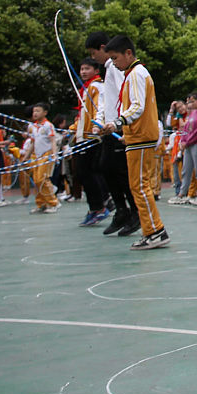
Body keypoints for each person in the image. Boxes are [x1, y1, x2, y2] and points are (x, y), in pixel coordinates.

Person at [100, 35, 169, 249]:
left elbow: (138, 107)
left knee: (140, 186)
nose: (114, 63)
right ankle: (152, 230)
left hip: (141, 138)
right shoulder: (132, 74)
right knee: (138, 186)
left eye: (116, 58)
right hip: (135, 137)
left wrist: (117, 123)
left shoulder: (137, 74)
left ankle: (155, 231)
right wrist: (125, 133)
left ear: (128, 53)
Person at [87, 31, 139, 237]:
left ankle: (133, 211)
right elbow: (107, 101)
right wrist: (101, 122)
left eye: (93, 53)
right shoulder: (108, 69)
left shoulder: (118, 69)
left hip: (119, 128)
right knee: (104, 167)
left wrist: (119, 123)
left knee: (119, 171)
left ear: (103, 48)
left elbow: (124, 96)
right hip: (110, 127)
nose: (93, 58)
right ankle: (122, 210)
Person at [70, 57, 110, 226]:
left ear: (96, 71)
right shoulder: (86, 88)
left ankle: (99, 207)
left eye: (87, 69)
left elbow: (101, 107)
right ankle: (100, 204)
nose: (83, 72)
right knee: (85, 172)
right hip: (83, 135)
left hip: (91, 136)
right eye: (81, 69)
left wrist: (96, 127)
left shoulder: (96, 86)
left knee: (86, 171)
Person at [170, 94, 197, 205]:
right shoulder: (193, 113)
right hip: (187, 145)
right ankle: (182, 193)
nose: (189, 104)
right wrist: (183, 140)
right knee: (186, 170)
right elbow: (187, 128)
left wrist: (188, 141)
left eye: (192, 101)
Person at [25, 103, 59, 214]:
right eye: (34, 111)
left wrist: (54, 155)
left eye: (38, 111)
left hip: (46, 155)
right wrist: (26, 157)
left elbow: (53, 141)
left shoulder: (48, 125)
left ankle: (53, 203)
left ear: (45, 113)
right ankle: (41, 204)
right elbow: (32, 143)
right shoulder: (32, 127)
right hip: (36, 156)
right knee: (36, 181)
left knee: (43, 179)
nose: (35, 113)